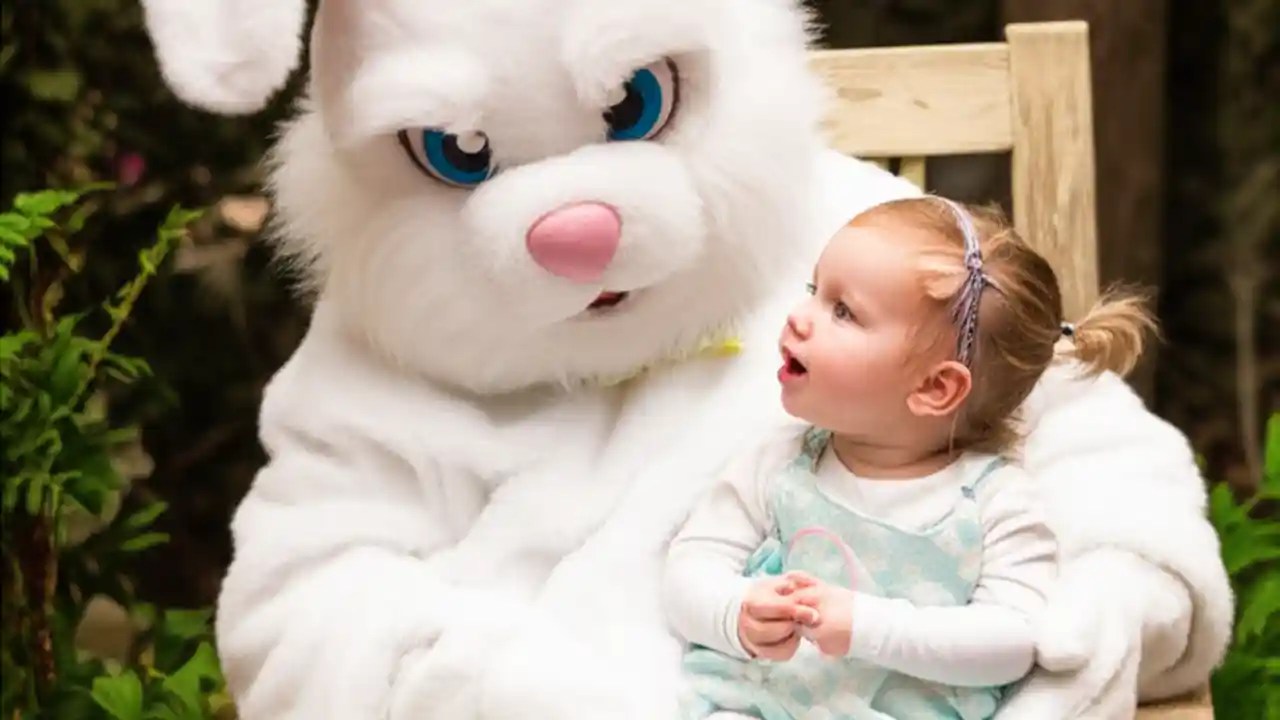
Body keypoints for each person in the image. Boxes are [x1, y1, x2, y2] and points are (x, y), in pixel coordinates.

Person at [665, 196, 1157, 720]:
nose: (799, 318)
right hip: (758, 705)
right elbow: (690, 569)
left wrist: (867, 627)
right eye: (814, 291)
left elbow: (1013, 642)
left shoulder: (994, 503)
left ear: (935, 388)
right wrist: (735, 612)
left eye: (843, 311)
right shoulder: (780, 461)